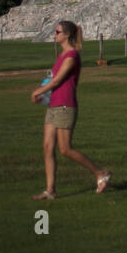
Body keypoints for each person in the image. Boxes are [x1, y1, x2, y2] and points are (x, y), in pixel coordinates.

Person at [29, 21, 111, 198]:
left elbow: (58, 80)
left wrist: (38, 91)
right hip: (53, 105)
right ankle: (50, 190)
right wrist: (44, 95)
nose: (54, 34)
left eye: (57, 31)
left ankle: (100, 173)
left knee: (65, 149)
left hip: (66, 105)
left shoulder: (72, 56)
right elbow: (53, 80)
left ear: (67, 35)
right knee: (47, 146)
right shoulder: (62, 55)